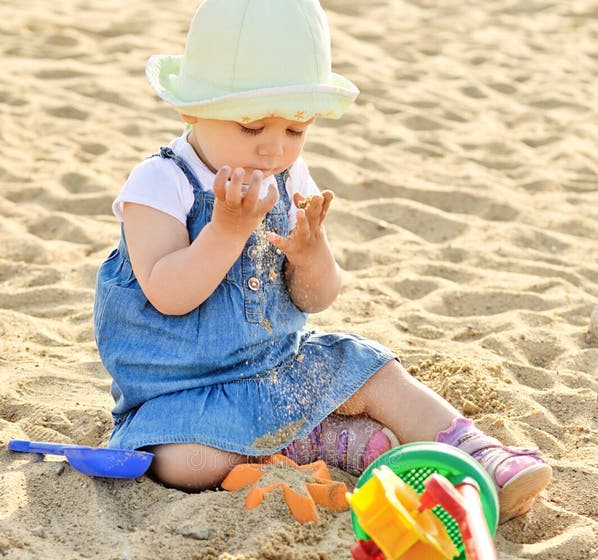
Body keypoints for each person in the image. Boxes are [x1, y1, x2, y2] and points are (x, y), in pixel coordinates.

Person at [94, 0, 552, 522]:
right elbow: (168, 294)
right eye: (251, 127)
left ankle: (478, 452)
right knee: (181, 464)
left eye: (295, 130)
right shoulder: (159, 183)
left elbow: (317, 299)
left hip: (276, 365)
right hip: (184, 395)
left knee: (377, 370)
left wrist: (311, 257)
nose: (273, 150)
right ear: (193, 108)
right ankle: (315, 437)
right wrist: (227, 230)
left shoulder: (288, 177)